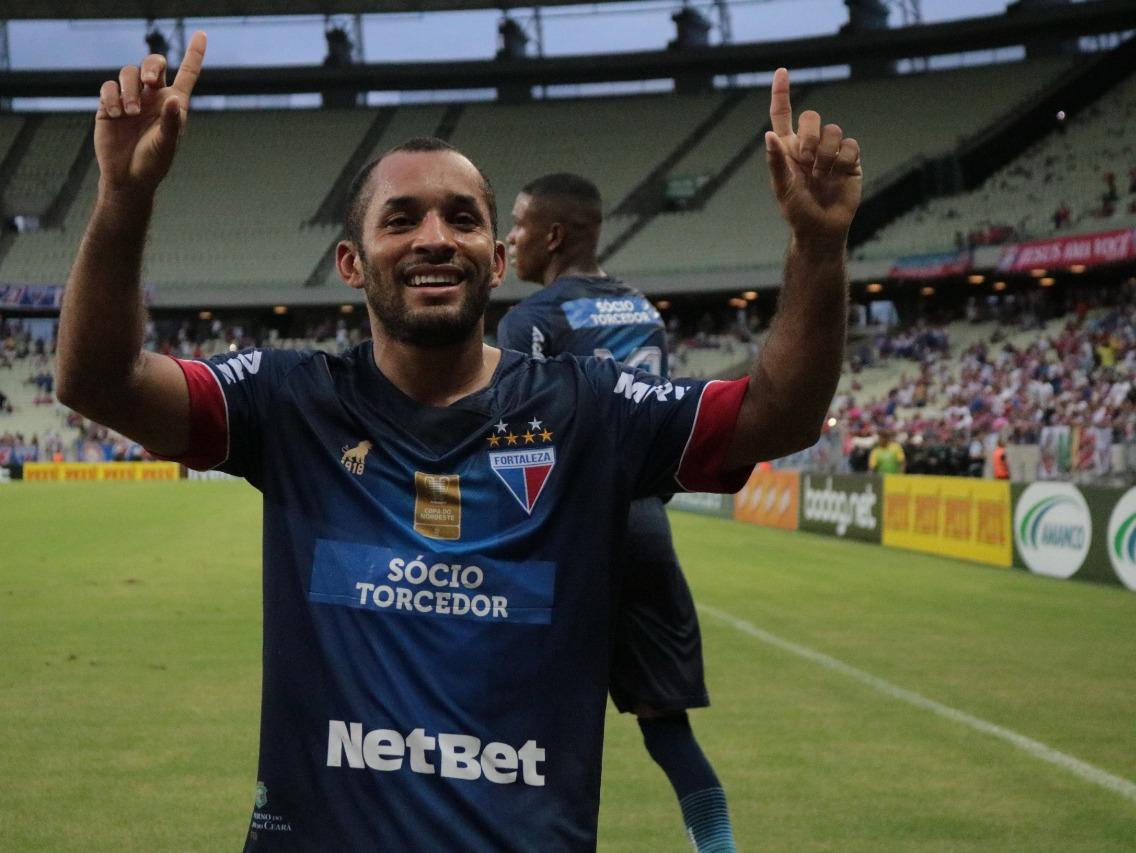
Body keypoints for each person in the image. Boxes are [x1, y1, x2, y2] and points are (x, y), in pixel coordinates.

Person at [57, 33, 861, 851]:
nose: (435, 237)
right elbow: (98, 380)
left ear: (500, 259)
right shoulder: (291, 400)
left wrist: (819, 247)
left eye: (463, 218)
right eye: (401, 218)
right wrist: (124, 195)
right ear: (350, 262)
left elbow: (778, 416)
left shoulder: (589, 409)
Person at [499, 171, 735, 851]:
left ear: (551, 235)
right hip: (643, 527)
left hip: (567, 537)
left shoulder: (532, 320)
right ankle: (718, 846)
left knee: (518, 726)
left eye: (517, 224)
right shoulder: (641, 310)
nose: (508, 238)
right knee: (667, 727)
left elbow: (515, 444)